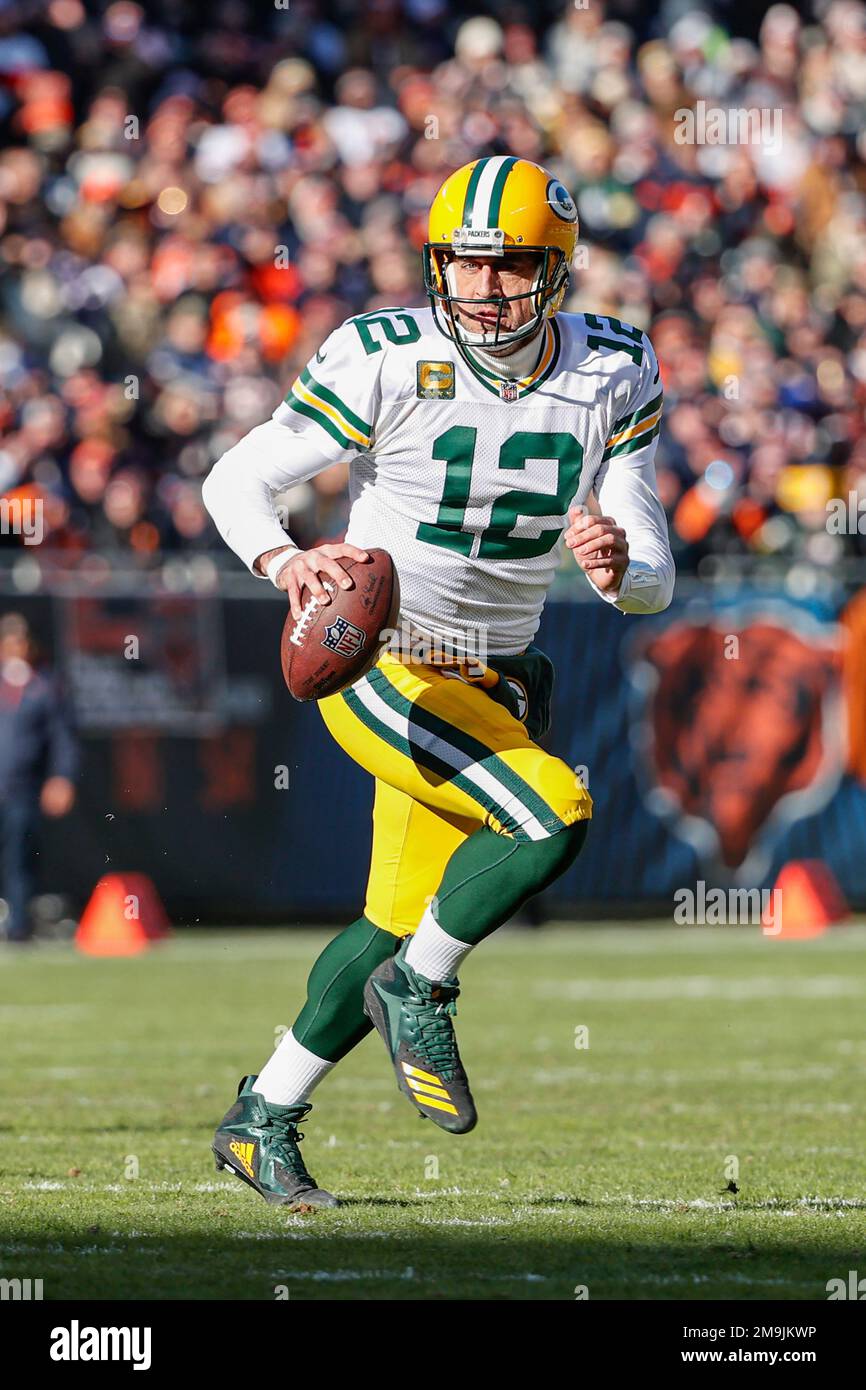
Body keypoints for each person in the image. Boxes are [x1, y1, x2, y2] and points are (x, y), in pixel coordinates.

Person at [203, 156, 675, 1208]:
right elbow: (236, 476)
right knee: (552, 812)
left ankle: (261, 1117)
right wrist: (285, 562)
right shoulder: (384, 354)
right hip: (387, 659)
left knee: (392, 914)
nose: (480, 291)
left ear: (554, 271)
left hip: (495, 677)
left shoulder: (612, 367)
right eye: (462, 267)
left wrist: (618, 568)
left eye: (507, 269)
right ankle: (418, 986)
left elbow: (650, 564)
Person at [0, 613, 78, 943]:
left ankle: (18, 925)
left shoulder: (45, 686)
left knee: (19, 856)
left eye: (21, 640)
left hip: (22, 787)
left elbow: (63, 737)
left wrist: (62, 777)